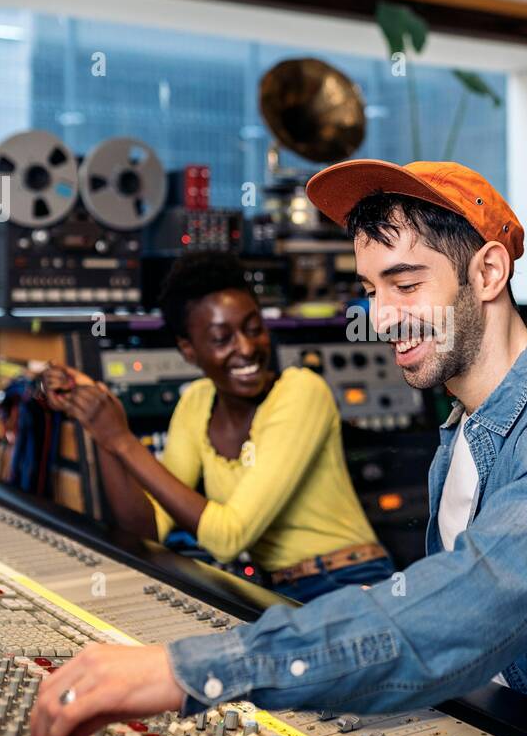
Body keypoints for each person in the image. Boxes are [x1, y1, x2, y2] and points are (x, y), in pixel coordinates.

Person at [32, 161, 527, 736]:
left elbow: (465, 615)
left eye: (406, 282)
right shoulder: (464, 430)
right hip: (491, 731)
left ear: (487, 273)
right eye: (370, 289)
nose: (381, 317)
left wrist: (186, 670)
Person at [39, 252, 393, 603]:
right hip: (277, 592)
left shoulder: (301, 392)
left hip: (348, 581)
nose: (246, 348)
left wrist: (123, 440)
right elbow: (145, 530)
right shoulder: (196, 402)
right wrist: (102, 429)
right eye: (222, 339)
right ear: (188, 350)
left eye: (254, 329)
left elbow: (229, 537)